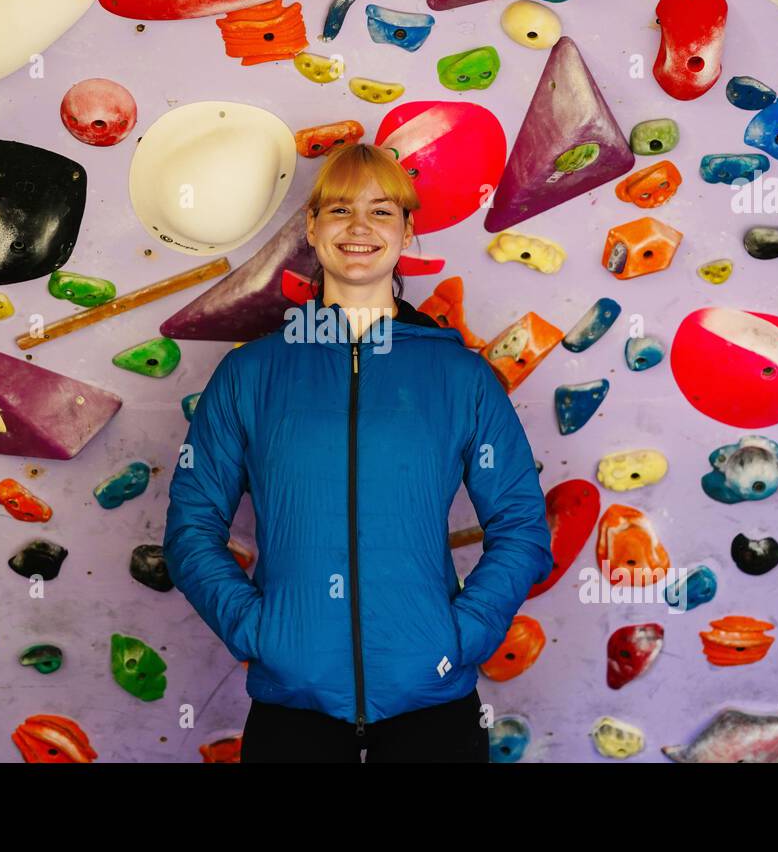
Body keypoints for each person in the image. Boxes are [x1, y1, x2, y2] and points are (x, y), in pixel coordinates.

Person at [164, 143, 554, 762]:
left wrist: (462, 634)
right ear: (313, 229)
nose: (360, 228)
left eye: (382, 211)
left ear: (406, 231)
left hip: (434, 705)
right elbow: (191, 528)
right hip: (293, 710)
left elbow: (523, 528)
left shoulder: (461, 377)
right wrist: (258, 631)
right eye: (340, 209)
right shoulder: (250, 374)